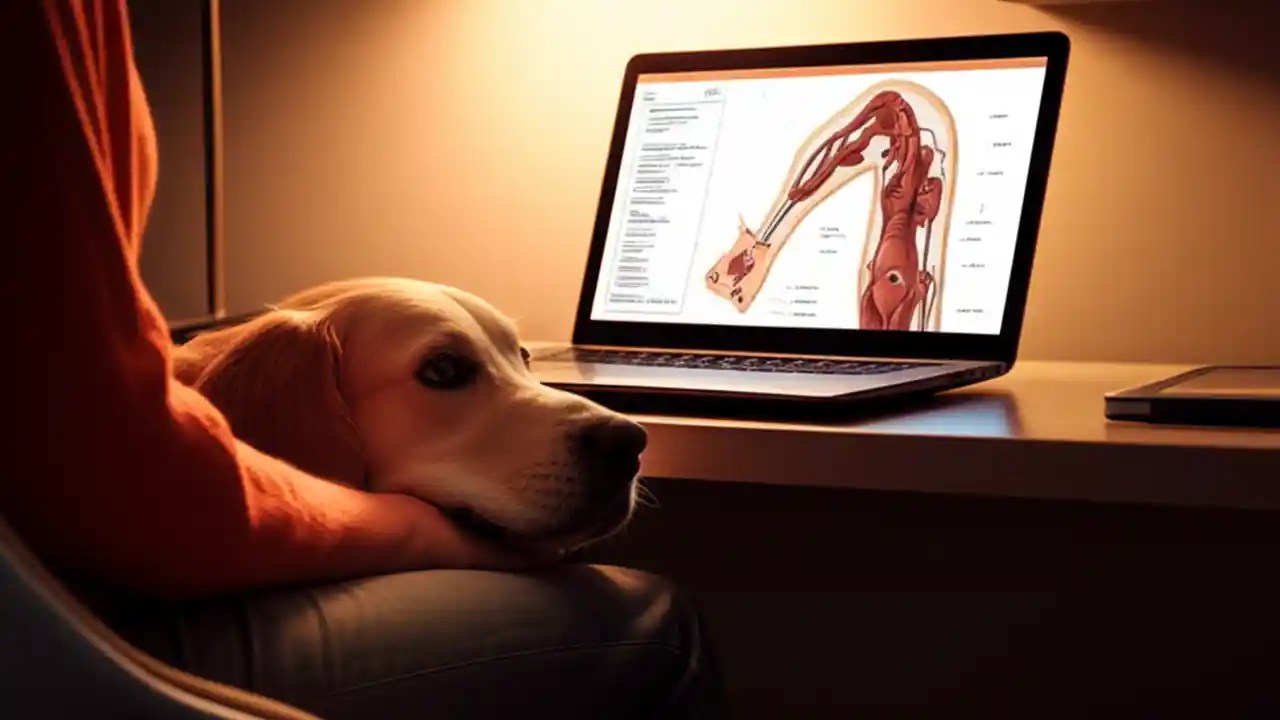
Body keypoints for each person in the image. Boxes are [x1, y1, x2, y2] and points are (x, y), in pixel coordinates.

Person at [0, 2, 724, 717]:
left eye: (518, 364)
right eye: (446, 373)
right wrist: (426, 536)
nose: (614, 433)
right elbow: (112, 471)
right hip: (59, 645)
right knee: (649, 625)